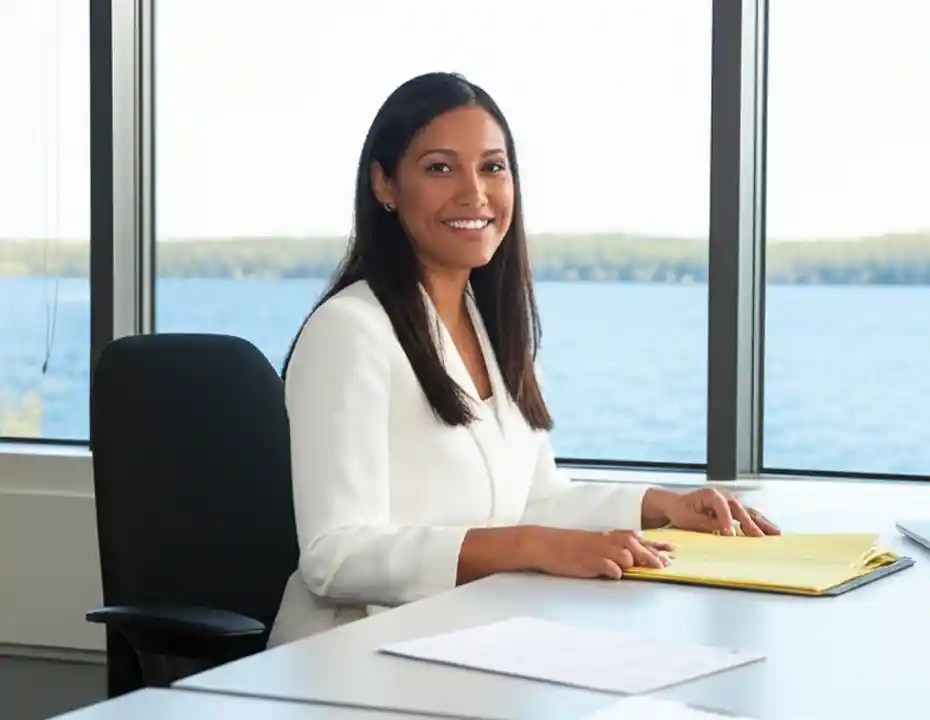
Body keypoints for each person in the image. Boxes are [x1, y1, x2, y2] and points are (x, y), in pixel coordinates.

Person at [269, 72, 780, 646]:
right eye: (440, 168)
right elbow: (335, 556)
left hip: (467, 638)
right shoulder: (349, 331)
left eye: (493, 167)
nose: (474, 193)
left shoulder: (493, 328)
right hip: (348, 655)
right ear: (384, 184)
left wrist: (662, 506)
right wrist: (531, 545)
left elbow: (537, 500)